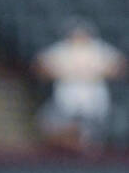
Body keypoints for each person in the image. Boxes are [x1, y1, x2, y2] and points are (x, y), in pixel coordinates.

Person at [33, 20, 125, 151]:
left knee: (92, 130)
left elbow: (120, 66)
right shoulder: (62, 49)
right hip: (66, 96)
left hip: (94, 97)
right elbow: (39, 66)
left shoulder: (98, 49)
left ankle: (89, 150)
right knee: (55, 122)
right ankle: (70, 148)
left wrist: (96, 71)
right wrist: (61, 72)